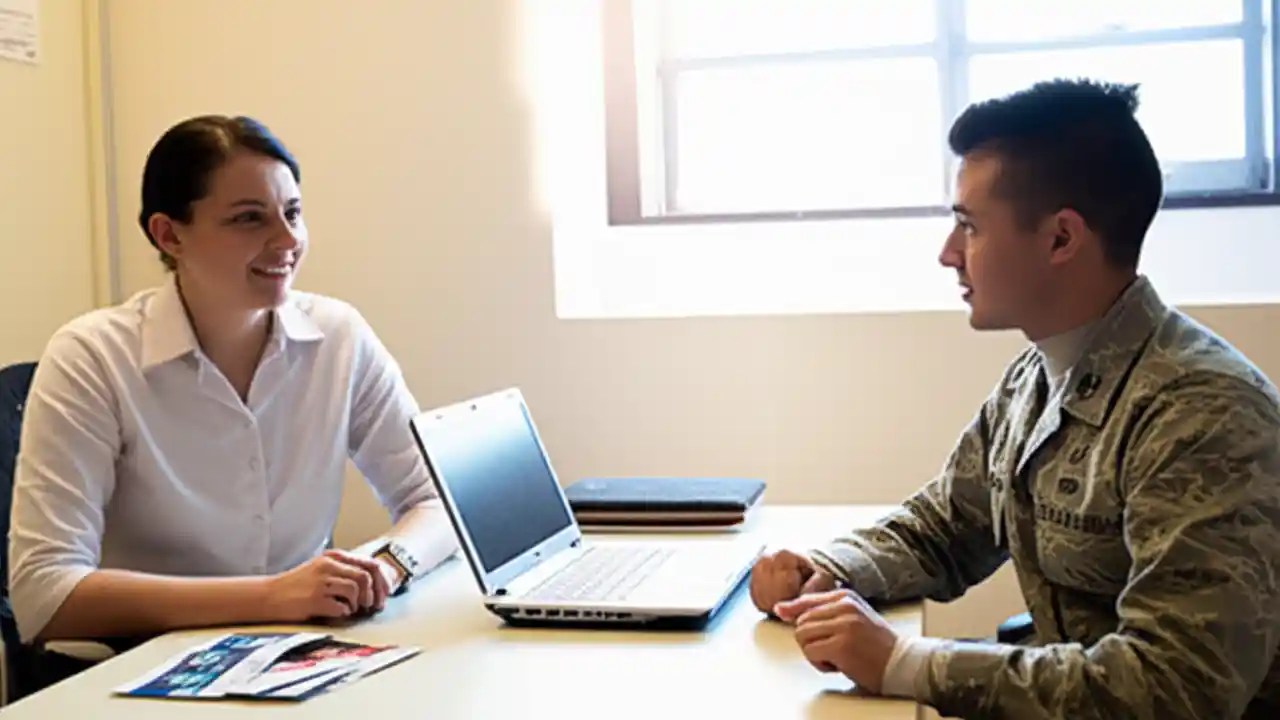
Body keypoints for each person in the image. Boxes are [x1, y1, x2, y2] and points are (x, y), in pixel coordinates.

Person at [749, 79, 1280, 718]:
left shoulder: (1204, 414)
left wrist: (905, 662)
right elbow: (949, 526)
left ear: (1061, 239)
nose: (948, 253)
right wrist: (828, 570)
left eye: (969, 226)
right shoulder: (1037, 374)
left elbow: (1176, 686)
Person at [9, 115, 458, 648]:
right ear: (169, 235)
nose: (287, 240)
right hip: (145, 661)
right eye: (249, 218)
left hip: (303, 649)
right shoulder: (92, 357)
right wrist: (273, 596)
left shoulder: (339, 335)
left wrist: (383, 567)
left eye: (293, 213)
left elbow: (439, 500)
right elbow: (44, 595)